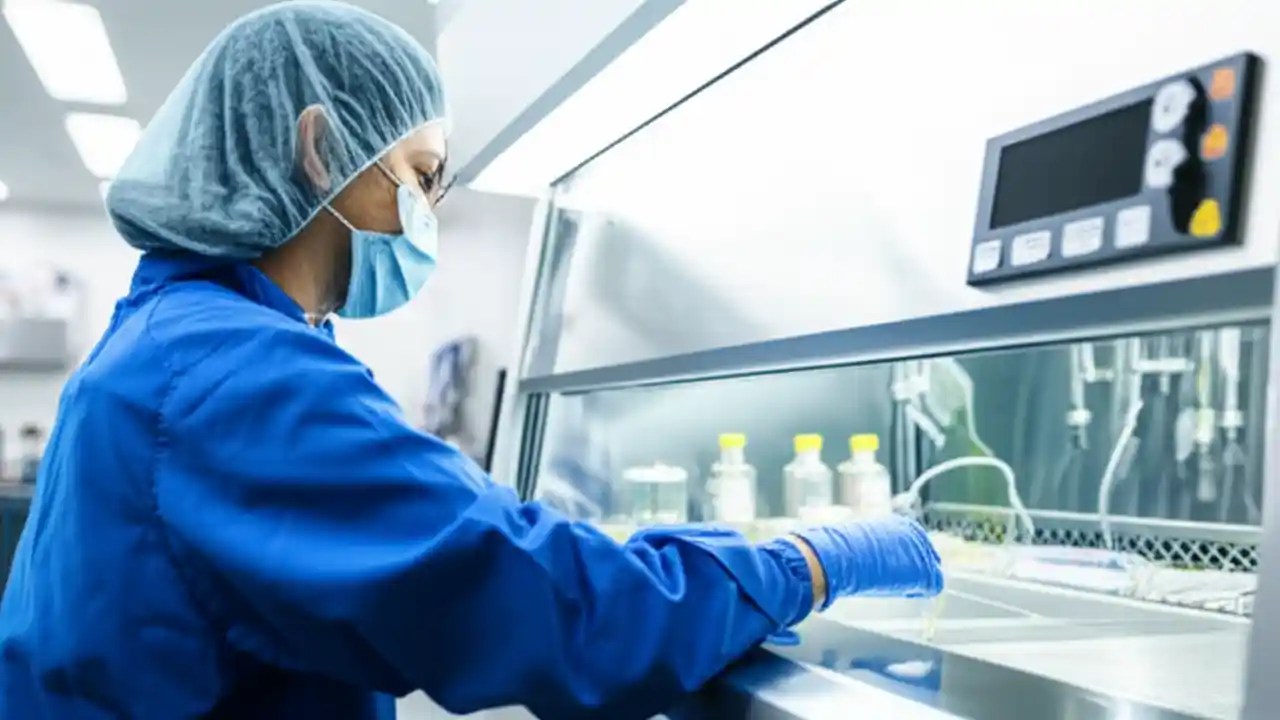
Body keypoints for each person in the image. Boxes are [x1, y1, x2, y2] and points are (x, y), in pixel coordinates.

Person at [0, 2, 942, 719]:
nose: (429, 214)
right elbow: (576, 616)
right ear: (320, 150)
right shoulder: (234, 377)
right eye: (420, 176)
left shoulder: (173, 340)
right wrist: (810, 560)